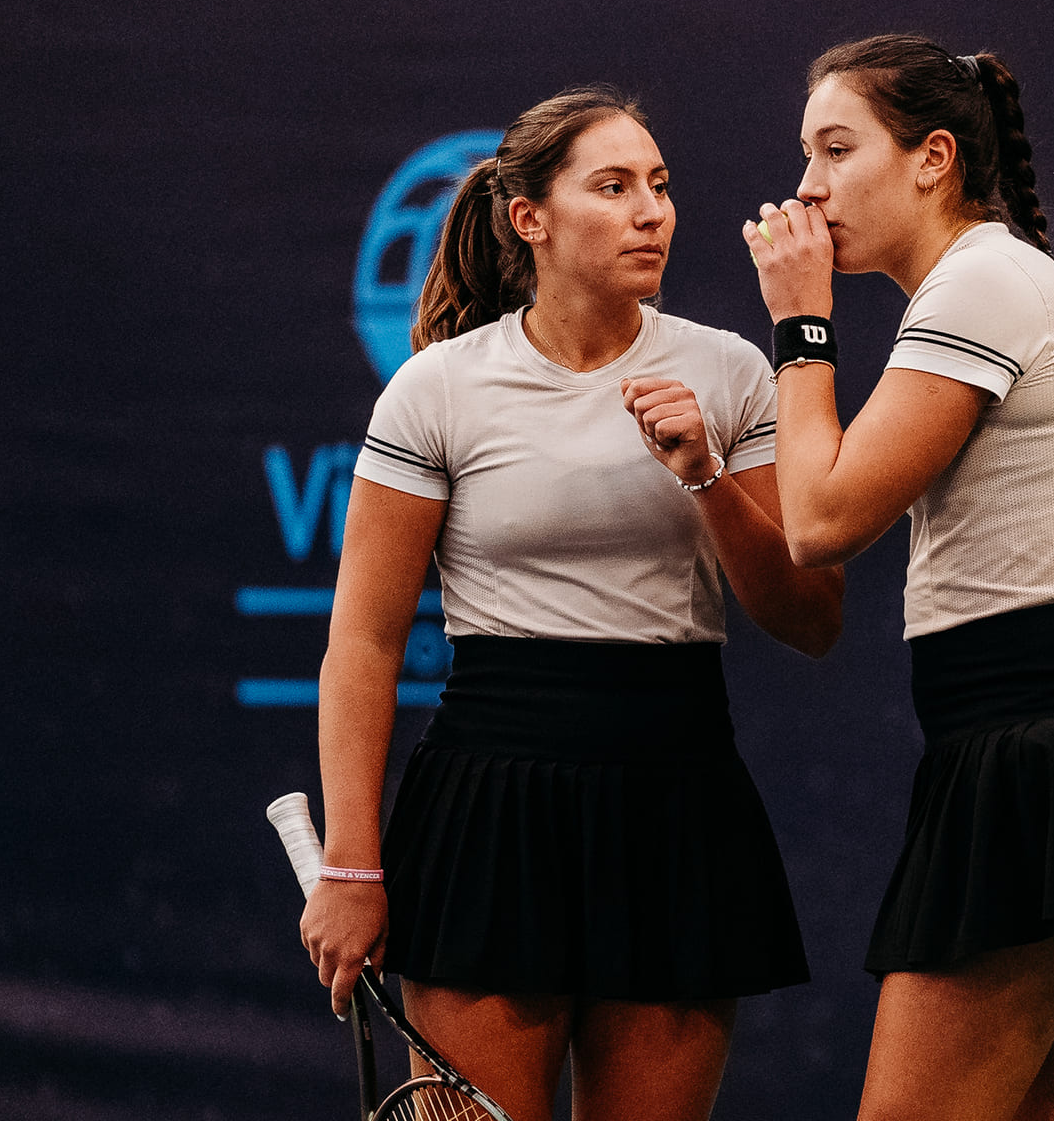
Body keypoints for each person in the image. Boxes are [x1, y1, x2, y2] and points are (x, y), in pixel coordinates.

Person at [301, 85, 844, 1121]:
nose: (653, 210)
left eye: (661, 185)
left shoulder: (731, 373)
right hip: (489, 816)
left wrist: (704, 473)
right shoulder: (438, 389)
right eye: (614, 186)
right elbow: (363, 643)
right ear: (530, 219)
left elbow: (811, 615)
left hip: (675, 803)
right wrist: (351, 864)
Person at [744, 35, 1054, 1121]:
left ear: (934, 158)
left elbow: (818, 520)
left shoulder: (982, 285)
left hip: (1034, 762)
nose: (809, 187)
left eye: (836, 148)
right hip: (1052, 750)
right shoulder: (992, 279)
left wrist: (801, 318)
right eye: (805, 154)